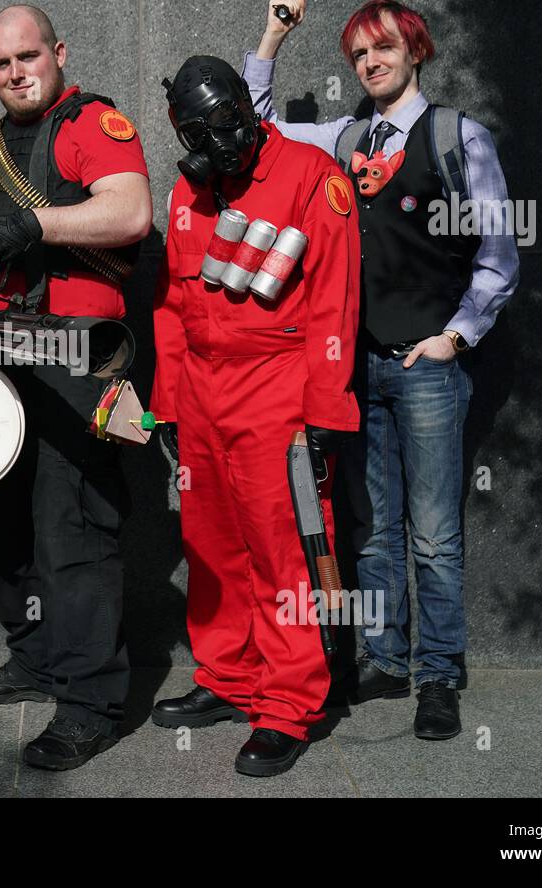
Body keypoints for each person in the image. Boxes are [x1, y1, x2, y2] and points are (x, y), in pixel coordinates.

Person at [245, 0, 521, 739]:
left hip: (428, 366)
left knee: (432, 534)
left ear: (415, 51)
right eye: (359, 54)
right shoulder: (346, 136)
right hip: (356, 368)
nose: (370, 62)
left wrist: (454, 338)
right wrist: (273, 35)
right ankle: (385, 661)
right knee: (369, 530)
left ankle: (437, 678)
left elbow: (498, 258)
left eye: (384, 48)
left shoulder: (458, 137)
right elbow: (260, 126)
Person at [0, 4, 152, 770]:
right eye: (0, 63)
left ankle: (90, 704)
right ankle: (38, 659)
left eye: (29, 56)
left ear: (59, 52)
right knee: (3, 523)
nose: (16, 72)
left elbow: (130, 212)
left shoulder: (93, 123)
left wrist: (39, 227)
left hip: (72, 363)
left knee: (73, 536)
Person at [150, 54, 360, 776]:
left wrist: (326, 407)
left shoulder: (310, 176)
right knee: (211, 547)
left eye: (229, 121)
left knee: (284, 553)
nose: (222, 139)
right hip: (203, 393)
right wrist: (168, 402)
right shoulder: (190, 186)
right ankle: (229, 678)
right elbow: (175, 302)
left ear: (246, 105)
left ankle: (290, 705)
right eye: (202, 130)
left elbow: (335, 301)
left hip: (279, 389)